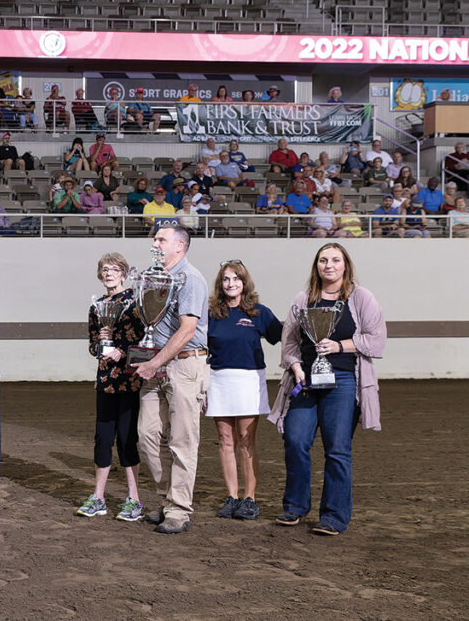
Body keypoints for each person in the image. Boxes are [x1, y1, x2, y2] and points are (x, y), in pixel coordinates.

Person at [270, 244, 386, 536]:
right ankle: (295, 506)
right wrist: (296, 368)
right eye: (323, 260)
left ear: (346, 265)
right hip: (307, 382)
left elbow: (376, 339)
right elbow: (290, 343)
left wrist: (340, 345)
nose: (329, 265)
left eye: (335, 260)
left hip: (344, 381)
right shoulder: (303, 299)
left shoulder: (360, 298)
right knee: (295, 440)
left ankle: (334, 515)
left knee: (337, 449)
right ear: (316, 265)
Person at [134, 226, 210, 534]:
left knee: (181, 440)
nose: (155, 244)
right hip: (158, 365)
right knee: (147, 434)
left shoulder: (190, 278)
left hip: (184, 365)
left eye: (161, 240)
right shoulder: (155, 278)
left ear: (179, 246)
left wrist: (153, 362)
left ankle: (179, 509)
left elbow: (187, 330)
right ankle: (168, 499)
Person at [207, 261, 282, 521]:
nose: (231, 284)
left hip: (249, 381)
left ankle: (250, 499)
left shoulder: (259, 312)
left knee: (245, 439)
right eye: (226, 279)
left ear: (244, 283)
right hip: (218, 380)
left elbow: (284, 336)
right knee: (225, 441)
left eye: (236, 279)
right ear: (221, 283)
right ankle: (232, 497)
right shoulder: (211, 314)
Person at [77, 253, 146, 522]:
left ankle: (134, 499)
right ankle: (99, 497)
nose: (108, 273)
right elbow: (93, 346)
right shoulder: (96, 307)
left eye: (114, 269)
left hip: (129, 381)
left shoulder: (135, 304)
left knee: (127, 441)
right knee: (102, 440)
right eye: (104, 269)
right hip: (105, 382)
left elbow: (145, 346)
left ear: (124, 274)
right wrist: (102, 343)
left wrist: (122, 352)